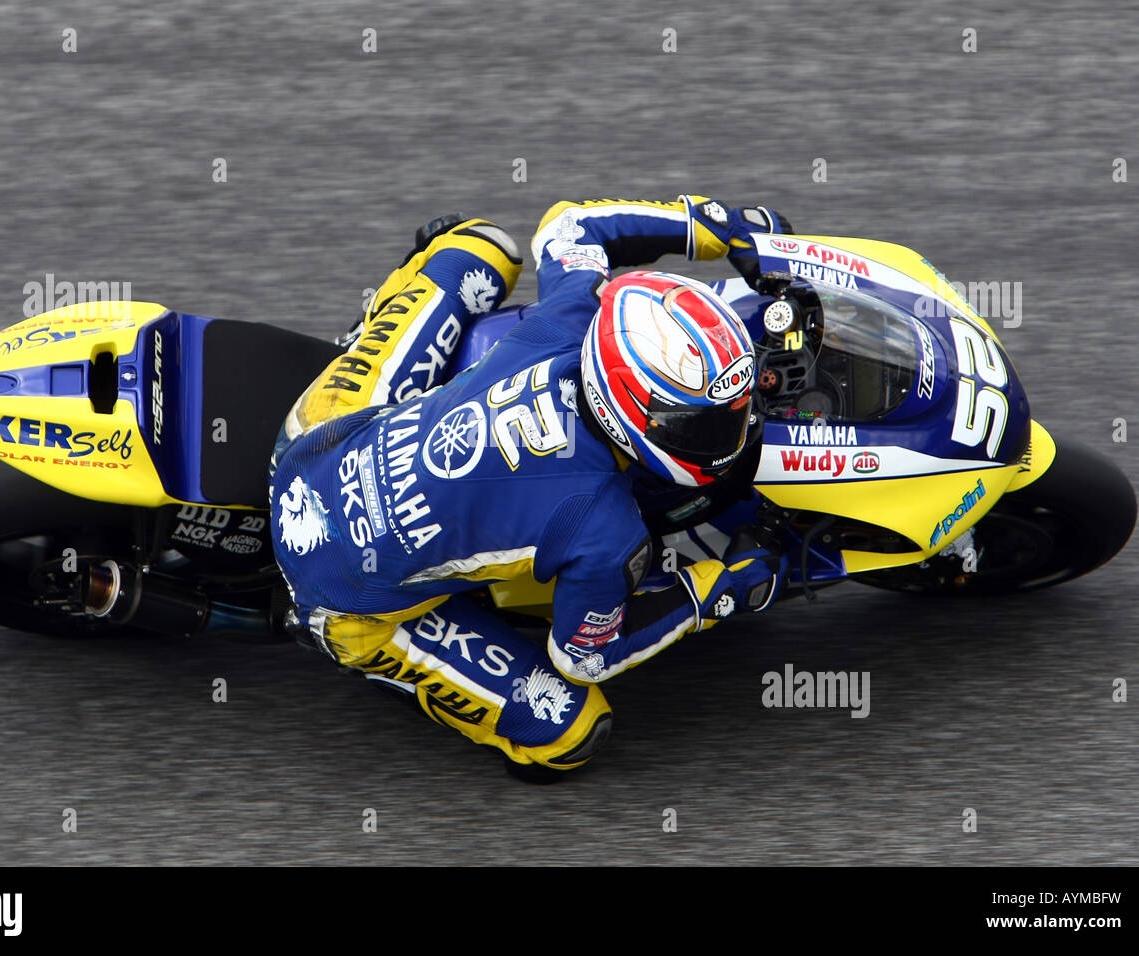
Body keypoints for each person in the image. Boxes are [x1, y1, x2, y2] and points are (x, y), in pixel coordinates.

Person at [269, 196, 791, 777]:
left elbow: (568, 224)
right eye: (709, 421)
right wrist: (717, 591)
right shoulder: (604, 529)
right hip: (342, 603)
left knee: (481, 246)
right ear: (636, 413)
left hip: (315, 438)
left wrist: (710, 225)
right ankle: (362, 658)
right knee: (568, 733)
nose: (736, 430)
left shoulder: (571, 316)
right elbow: (586, 660)